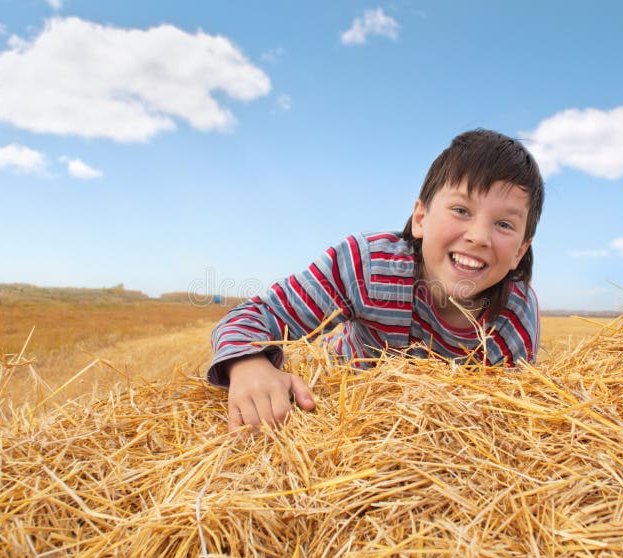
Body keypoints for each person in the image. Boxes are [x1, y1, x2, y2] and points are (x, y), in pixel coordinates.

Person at [207, 129, 544, 432]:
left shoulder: (514, 321)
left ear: (520, 251)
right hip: (342, 398)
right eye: (461, 210)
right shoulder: (367, 265)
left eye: (504, 225)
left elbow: (502, 420)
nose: (479, 236)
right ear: (421, 218)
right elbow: (257, 316)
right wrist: (248, 364)